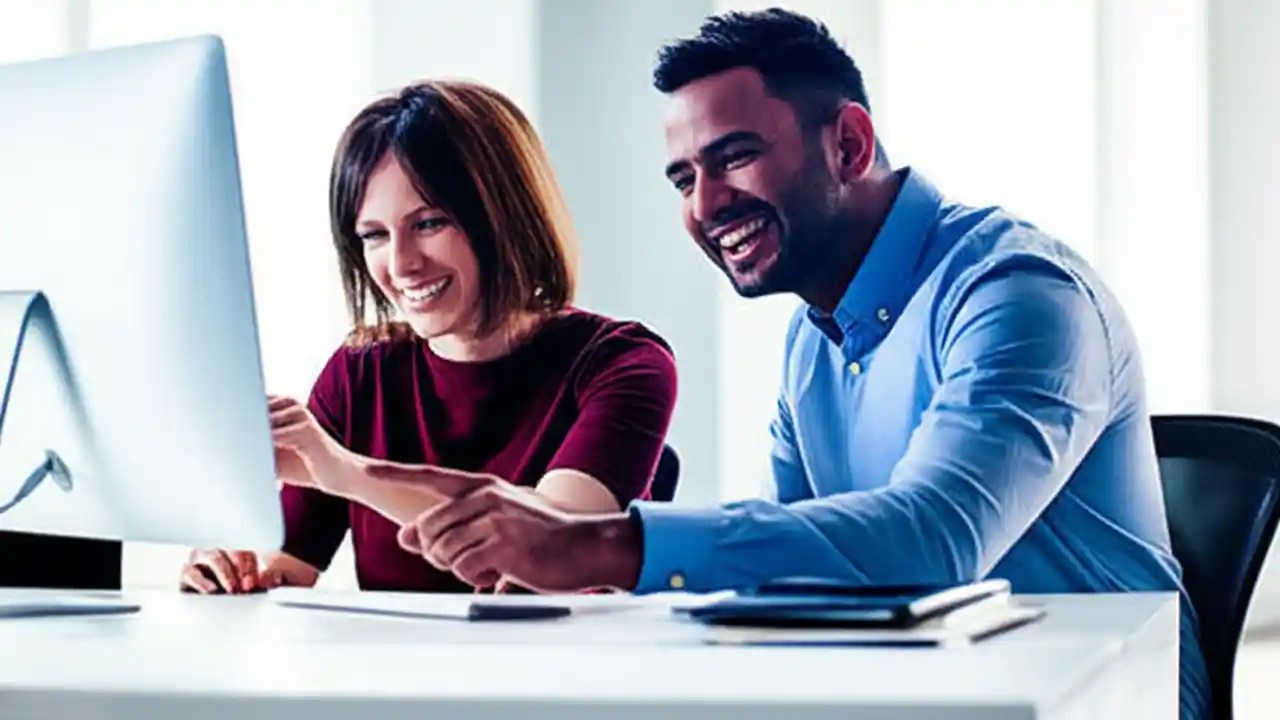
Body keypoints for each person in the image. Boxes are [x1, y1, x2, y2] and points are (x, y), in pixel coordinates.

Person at [338, 9, 1210, 719]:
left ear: (850, 145)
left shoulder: (1020, 293)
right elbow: (801, 568)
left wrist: (610, 542)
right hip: (924, 695)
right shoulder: (811, 339)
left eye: (735, 157)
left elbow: (932, 541)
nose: (707, 205)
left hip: (1098, 699)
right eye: (683, 179)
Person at [179, 79, 677, 595]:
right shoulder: (360, 373)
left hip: (552, 671)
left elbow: (552, 537)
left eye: (430, 223)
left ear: (504, 216)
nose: (400, 265)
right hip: (394, 674)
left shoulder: (623, 362)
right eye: (374, 235)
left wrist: (347, 472)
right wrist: (230, 569)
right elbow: (285, 569)